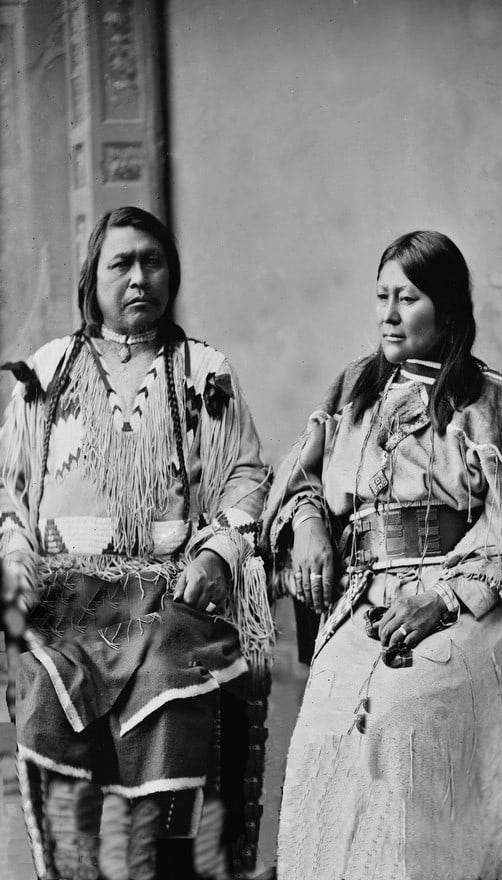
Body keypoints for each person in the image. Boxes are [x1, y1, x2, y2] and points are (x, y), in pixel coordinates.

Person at [265, 230, 502, 880]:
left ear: (448, 310)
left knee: (403, 716)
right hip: (363, 599)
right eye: (382, 296)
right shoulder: (353, 392)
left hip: (459, 598)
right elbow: (298, 479)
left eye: (409, 297)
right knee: (321, 730)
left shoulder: (486, 401)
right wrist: (309, 521)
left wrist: (441, 597)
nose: (389, 313)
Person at [0, 207, 273, 879]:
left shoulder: (203, 370)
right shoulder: (47, 373)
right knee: (46, 692)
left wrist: (218, 553)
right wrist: (15, 561)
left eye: (152, 261)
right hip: (65, 603)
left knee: (169, 684)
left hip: (167, 596)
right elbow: (10, 494)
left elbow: (245, 474)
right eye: (120, 263)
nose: (139, 277)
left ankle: (166, 864)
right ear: (92, 278)